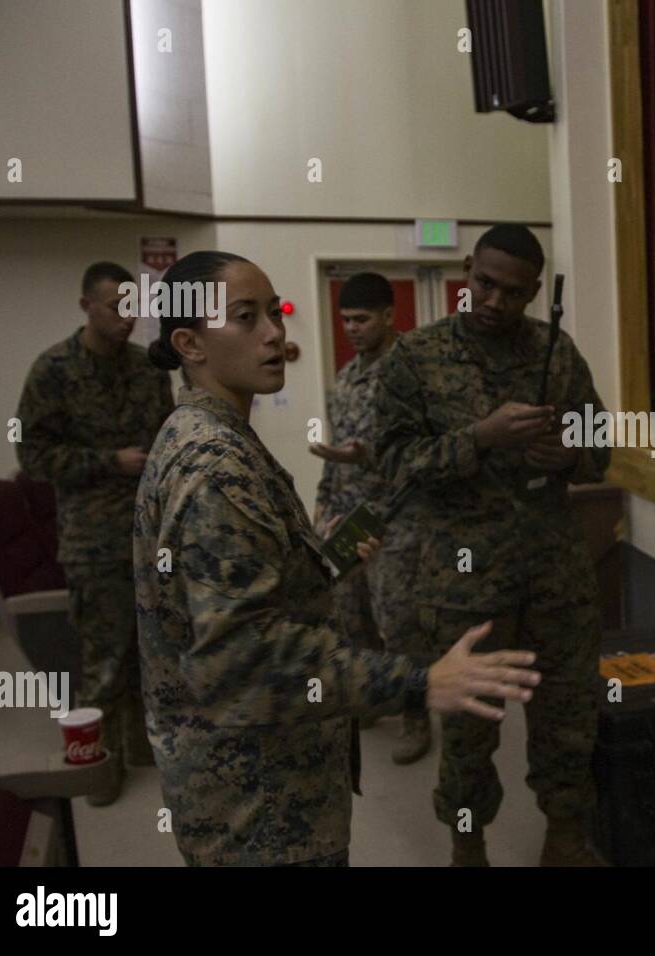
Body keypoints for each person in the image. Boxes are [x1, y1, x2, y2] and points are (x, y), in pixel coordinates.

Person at [133, 250, 541, 866]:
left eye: (274, 312)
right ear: (189, 343)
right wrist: (421, 679)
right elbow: (245, 657)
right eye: (245, 317)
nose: (274, 331)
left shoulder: (206, 434)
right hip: (259, 807)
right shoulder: (214, 465)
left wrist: (321, 564)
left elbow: (232, 598)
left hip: (255, 787)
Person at [372, 225, 609, 866]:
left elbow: (602, 449)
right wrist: (479, 437)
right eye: (483, 284)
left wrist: (571, 453)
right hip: (463, 580)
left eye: (512, 292)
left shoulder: (557, 355)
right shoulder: (415, 359)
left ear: (534, 292)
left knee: (568, 709)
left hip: (555, 573)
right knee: (472, 728)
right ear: (466, 270)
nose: (494, 301)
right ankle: (467, 841)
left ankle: (565, 834)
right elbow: (391, 464)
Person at [16, 261, 174, 805]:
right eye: (116, 306)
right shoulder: (54, 369)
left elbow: (167, 441)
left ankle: (142, 750)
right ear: (87, 306)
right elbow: (32, 455)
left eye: (134, 306)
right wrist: (108, 461)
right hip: (93, 540)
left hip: (149, 534)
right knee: (104, 660)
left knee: (152, 651)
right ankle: (98, 770)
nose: (128, 317)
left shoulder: (148, 369)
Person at [310, 272, 430, 763]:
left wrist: (365, 456)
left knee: (399, 622)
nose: (352, 329)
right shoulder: (346, 377)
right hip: (351, 515)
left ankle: (416, 715)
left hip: (400, 516)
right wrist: (323, 504)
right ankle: (375, 698)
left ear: (388, 315)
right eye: (345, 321)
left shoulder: (413, 370)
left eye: (361, 319)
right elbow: (335, 453)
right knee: (349, 614)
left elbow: (425, 452)